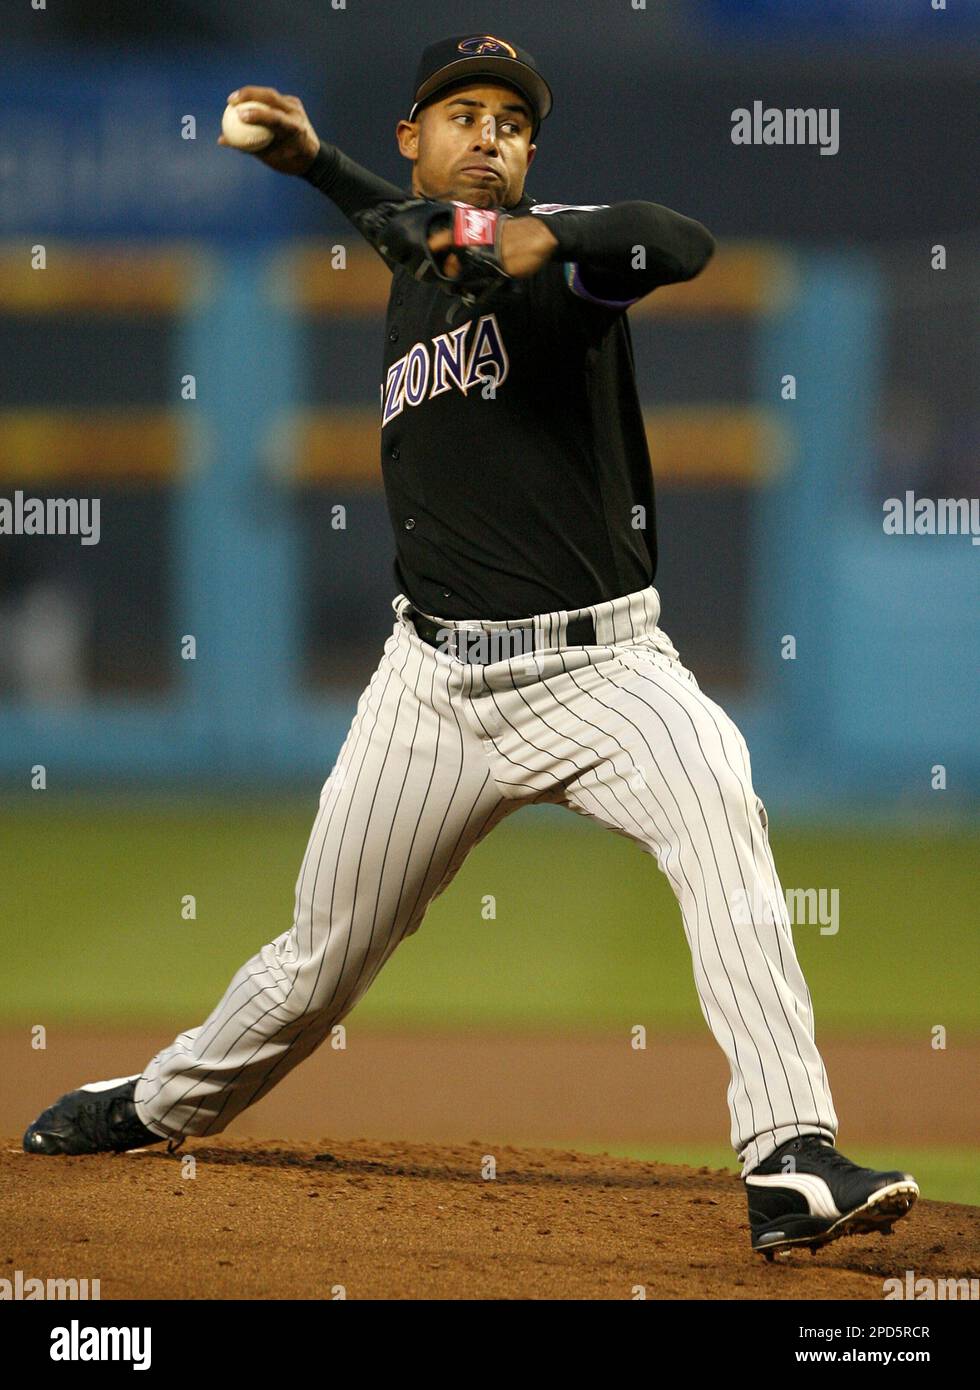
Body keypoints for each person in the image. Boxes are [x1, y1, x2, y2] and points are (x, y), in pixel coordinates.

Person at [24, 34, 918, 1260]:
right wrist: (315, 166)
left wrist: (535, 236)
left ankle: (790, 1156)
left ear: (532, 153)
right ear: (414, 137)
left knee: (721, 815)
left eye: (511, 117)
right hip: (429, 686)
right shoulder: (415, 255)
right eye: (461, 111)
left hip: (603, 670)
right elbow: (415, 238)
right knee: (317, 960)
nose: (489, 132)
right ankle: (160, 1103)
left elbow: (676, 240)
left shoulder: (558, 258)